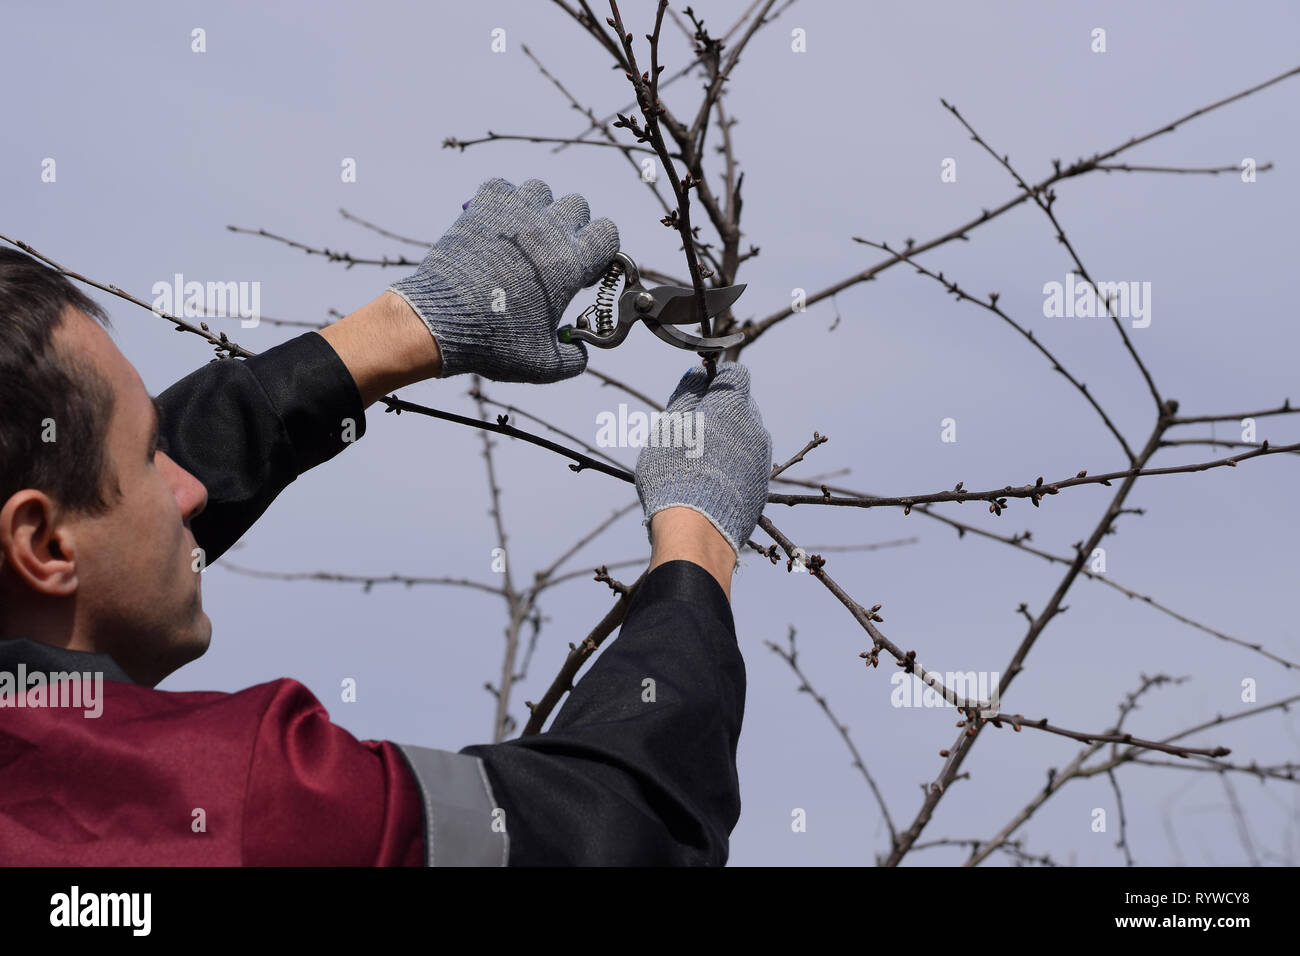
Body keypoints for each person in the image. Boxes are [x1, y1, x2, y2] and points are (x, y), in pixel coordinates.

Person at [0, 177, 773, 866]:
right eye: (146, 458)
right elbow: (614, 832)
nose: (189, 491)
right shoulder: (241, 806)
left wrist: (403, 330)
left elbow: (92, 526)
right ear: (38, 544)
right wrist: (695, 548)